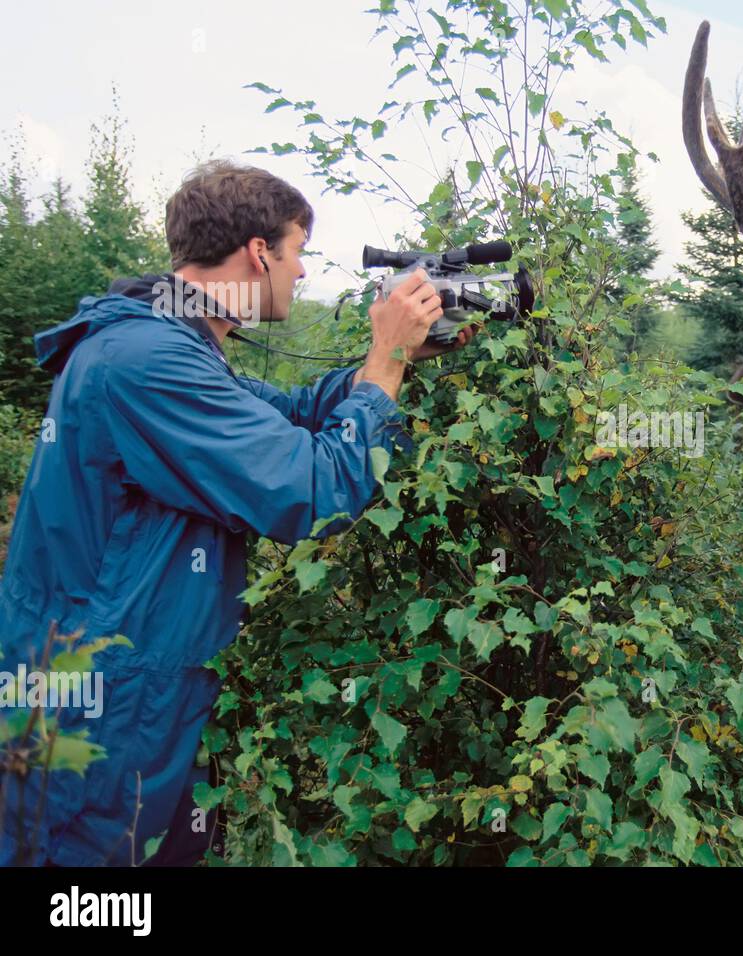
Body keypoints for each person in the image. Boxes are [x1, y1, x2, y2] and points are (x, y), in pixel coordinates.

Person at [0, 160, 474, 866]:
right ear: (259, 252)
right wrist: (382, 364)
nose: (303, 274)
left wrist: (400, 357)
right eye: (298, 253)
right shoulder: (146, 360)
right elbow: (311, 493)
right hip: (100, 715)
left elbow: (284, 415)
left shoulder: (171, 346)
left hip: (133, 691)